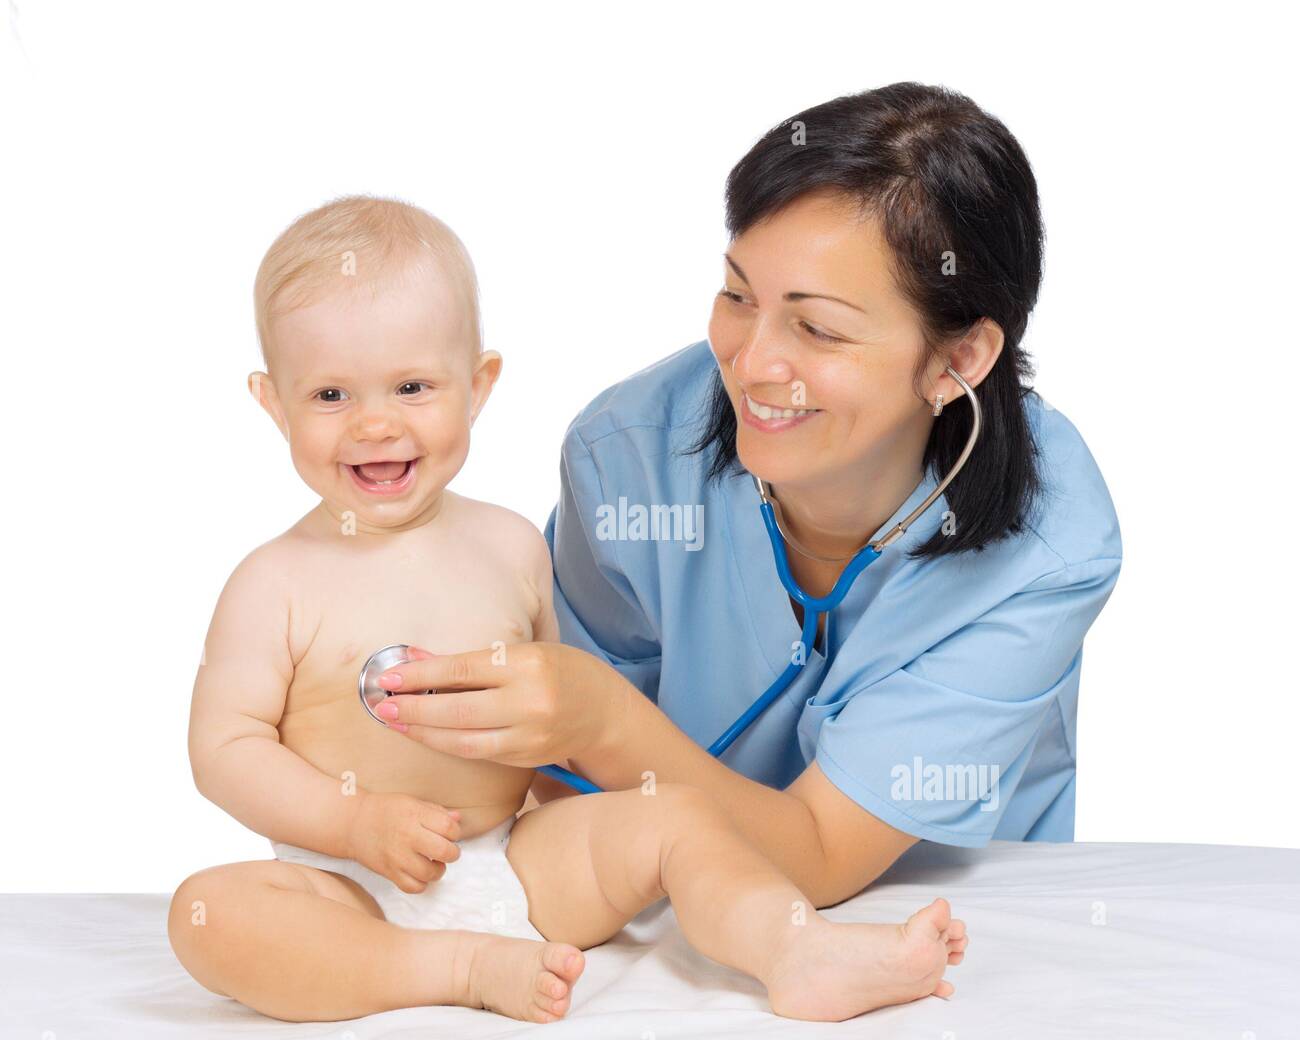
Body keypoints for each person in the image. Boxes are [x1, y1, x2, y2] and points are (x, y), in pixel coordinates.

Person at [168, 194, 966, 1027]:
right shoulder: (275, 582)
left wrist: (585, 827)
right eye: (330, 395)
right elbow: (224, 750)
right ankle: (453, 969)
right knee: (213, 915)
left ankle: (793, 949)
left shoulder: (511, 547)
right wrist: (353, 821)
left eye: (412, 385)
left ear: (478, 387)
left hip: (514, 864)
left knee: (678, 816)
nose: (375, 423)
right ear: (273, 403)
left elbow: (551, 733)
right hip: (345, 886)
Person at [382, 82, 1123, 911]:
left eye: (819, 329)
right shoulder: (630, 457)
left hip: (957, 923)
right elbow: (562, 787)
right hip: (675, 911)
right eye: (739, 296)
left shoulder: (1050, 548)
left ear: (961, 358)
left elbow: (822, 855)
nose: (750, 362)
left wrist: (602, 723)